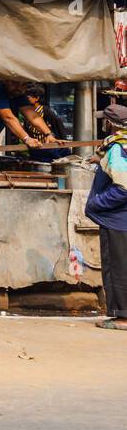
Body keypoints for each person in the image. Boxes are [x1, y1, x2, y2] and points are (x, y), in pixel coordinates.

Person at [85, 103, 127, 331]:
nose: (103, 122)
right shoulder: (119, 146)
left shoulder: (117, 149)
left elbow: (123, 187)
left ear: (110, 124)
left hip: (117, 219)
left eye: (105, 119)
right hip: (122, 219)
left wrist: (96, 203)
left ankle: (122, 316)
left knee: (117, 268)